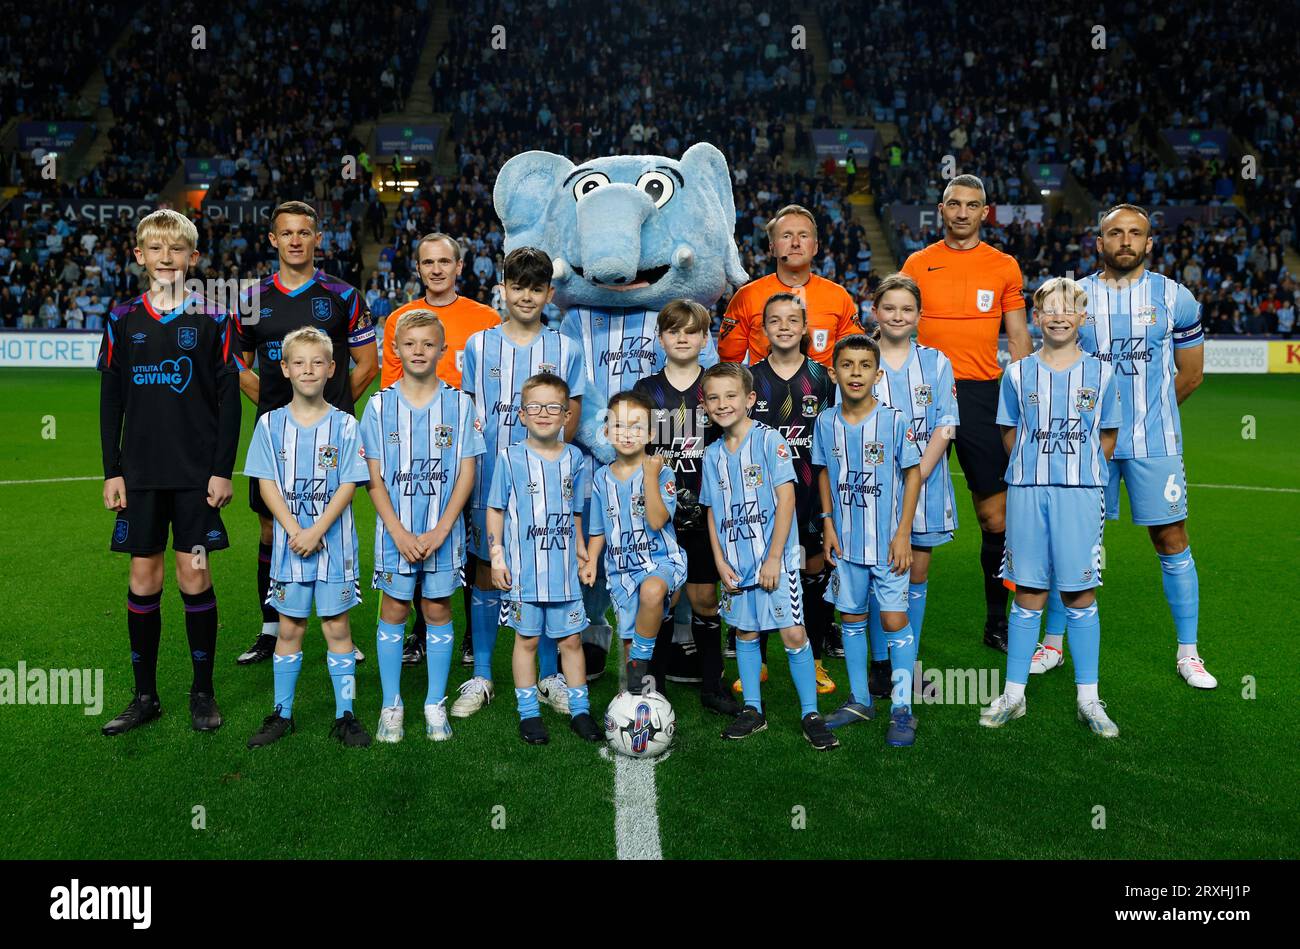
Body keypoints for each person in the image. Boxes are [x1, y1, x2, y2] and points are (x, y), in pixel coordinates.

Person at [1036, 205, 1215, 689]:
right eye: (1115, 232)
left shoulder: (1174, 297)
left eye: (1135, 233)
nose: (1125, 241)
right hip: (1086, 444)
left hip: (1154, 444)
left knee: (1171, 539)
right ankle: (1052, 644)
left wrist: (1148, 414)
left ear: (1149, 242)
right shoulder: (1074, 297)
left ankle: (1189, 653)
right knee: (1070, 541)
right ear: (1099, 242)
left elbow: (1191, 374)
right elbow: (1054, 365)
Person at [98, 209, 243, 736]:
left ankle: (202, 692)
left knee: (195, 575)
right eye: (155, 250)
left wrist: (222, 470)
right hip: (139, 476)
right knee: (143, 577)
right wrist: (112, 471)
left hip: (194, 476)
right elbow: (110, 398)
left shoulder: (215, 317)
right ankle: (145, 696)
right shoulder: (121, 318)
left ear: (193, 258)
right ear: (140, 256)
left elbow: (230, 403)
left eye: (176, 250)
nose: (166, 258)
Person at [234, 201, 378, 666]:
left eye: (304, 232)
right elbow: (237, 363)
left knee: (333, 523)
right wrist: (274, 407)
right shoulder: (252, 300)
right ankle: (271, 628)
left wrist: (332, 408)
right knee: (272, 529)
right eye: (286, 233)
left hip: (331, 436)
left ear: (318, 239)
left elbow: (368, 364)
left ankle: (340, 630)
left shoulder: (344, 295)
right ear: (273, 240)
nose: (295, 240)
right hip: (276, 435)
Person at [980, 277, 1122, 737]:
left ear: (1083, 318)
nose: (1058, 316)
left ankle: (1089, 698)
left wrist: (1076, 470)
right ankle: (1014, 694)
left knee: (1080, 593)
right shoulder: (1018, 372)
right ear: (1035, 318)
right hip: (1026, 490)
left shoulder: (1101, 372)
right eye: (1049, 309)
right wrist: (1032, 466)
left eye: (1069, 309)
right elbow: (1008, 432)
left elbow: (1107, 437)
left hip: (1080, 492)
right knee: (1027, 591)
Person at [900, 174, 1032, 653]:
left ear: (985, 211)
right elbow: (897, 326)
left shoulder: (1004, 266)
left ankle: (996, 620)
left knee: (995, 516)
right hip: (923, 395)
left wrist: (1023, 400)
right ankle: (896, 624)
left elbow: (1018, 341)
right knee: (908, 512)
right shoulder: (918, 262)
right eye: (954, 204)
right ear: (942, 208)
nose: (961, 213)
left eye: (971, 205)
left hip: (981, 397)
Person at [456, 247, 584, 719]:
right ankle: (483, 674)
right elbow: (471, 413)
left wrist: (547, 463)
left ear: (549, 293)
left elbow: (572, 414)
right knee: (489, 572)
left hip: (546, 488)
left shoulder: (565, 347)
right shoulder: (479, 345)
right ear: (502, 289)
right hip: (490, 477)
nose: (526, 296)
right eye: (517, 286)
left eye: (535, 288)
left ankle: (549, 676)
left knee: (544, 573)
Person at [243, 327, 374, 749]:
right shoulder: (269, 425)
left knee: (338, 629)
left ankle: (346, 714)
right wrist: (296, 530)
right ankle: (282, 712)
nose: (308, 370)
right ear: (283, 369)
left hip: (333, 547)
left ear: (332, 368)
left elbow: (349, 484)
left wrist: (317, 529)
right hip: (289, 548)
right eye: (298, 362)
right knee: (289, 629)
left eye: (318, 362)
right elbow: (266, 485)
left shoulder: (345, 424)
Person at [698, 362, 838, 750]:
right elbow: (711, 511)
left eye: (731, 396)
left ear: (750, 399)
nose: (723, 404)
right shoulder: (711, 455)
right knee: (745, 630)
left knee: (793, 632)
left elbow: (787, 499)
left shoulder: (769, 440)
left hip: (775, 559)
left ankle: (810, 712)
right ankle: (752, 710)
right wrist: (720, 561)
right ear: (705, 404)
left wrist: (775, 557)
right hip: (735, 562)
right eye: (714, 398)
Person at [361, 310, 485, 743]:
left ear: (442, 350)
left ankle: (434, 702)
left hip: (442, 534)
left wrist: (442, 530)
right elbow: (372, 478)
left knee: (437, 610)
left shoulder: (459, 403)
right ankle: (391, 704)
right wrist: (396, 530)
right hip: (395, 533)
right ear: (394, 349)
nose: (418, 351)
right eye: (409, 344)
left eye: (427, 344)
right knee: (394, 609)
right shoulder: (378, 406)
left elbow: (467, 473)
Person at [381, 232, 501, 668]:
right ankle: (417, 631)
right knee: (418, 533)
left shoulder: (485, 317)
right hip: (416, 446)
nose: (436, 269)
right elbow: (390, 385)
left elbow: (492, 380)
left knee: (468, 537)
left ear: (458, 267)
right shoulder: (400, 318)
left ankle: (470, 633)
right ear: (418, 268)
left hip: (468, 441)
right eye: (428, 262)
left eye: (444, 262)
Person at [813, 335, 923, 745]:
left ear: (877, 374)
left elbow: (912, 474)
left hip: (887, 543)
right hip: (846, 544)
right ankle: (859, 699)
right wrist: (827, 522)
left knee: (894, 619)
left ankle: (902, 708)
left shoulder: (894, 420)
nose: (855, 372)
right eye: (847, 364)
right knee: (852, 619)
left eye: (863, 365)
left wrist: (903, 533)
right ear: (834, 371)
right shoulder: (826, 422)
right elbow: (823, 472)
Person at [633, 300, 741, 716]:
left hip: (705, 514)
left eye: (691, 331)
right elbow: (635, 448)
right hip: (658, 516)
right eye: (673, 331)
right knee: (656, 598)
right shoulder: (646, 390)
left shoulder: (712, 388)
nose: (682, 338)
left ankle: (712, 685)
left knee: (704, 600)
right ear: (660, 338)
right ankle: (647, 684)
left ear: (703, 338)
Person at [486, 373, 604, 745]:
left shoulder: (574, 459)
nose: (543, 414)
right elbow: (495, 509)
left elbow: (576, 512)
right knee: (528, 642)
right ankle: (529, 714)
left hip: (565, 572)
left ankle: (581, 712)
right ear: (521, 415)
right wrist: (496, 556)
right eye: (534, 407)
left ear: (567, 416)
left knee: (570, 641)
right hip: (524, 573)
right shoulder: (509, 458)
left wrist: (584, 552)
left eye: (553, 407)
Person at [867, 274, 959, 701]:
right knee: (874, 573)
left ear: (919, 316)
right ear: (875, 313)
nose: (898, 315)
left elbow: (945, 423)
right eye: (890, 308)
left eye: (907, 309)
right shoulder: (861, 359)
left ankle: (909, 662)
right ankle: (880, 663)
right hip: (871, 487)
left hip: (926, 482)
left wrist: (917, 472)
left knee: (915, 574)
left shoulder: (937, 362)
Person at [746, 292, 839, 696]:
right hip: (761, 499)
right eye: (775, 320)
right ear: (763, 329)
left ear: (805, 329)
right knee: (758, 572)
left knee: (813, 569)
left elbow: (832, 444)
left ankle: (815, 659)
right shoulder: (749, 380)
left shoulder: (821, 380)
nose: (784, 327)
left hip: (809, 495)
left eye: (792, 320)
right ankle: (759, 659)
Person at [581, 391, 687, 694]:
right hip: (622, 571)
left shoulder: (661, 471)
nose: (627, 434)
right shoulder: (602, 478)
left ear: (651, 433)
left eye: (637, 427)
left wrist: (650, 477)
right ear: (605, 431)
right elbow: (598, 530)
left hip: (661, 561)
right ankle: (636, 701)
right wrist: (590, 561)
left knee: (652, 591)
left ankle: (639, 666)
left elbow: (656, 521)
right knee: (629, 642)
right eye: (619, 426)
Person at [720, 204, 862, 368]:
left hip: (825, 392)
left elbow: (855, 358)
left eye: (803, 235)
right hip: (762, 392)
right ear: (772, 248)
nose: (795, 243)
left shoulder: (839, 297)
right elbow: (729, 365)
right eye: (786, 236)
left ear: (815, 247)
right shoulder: (746, 296)